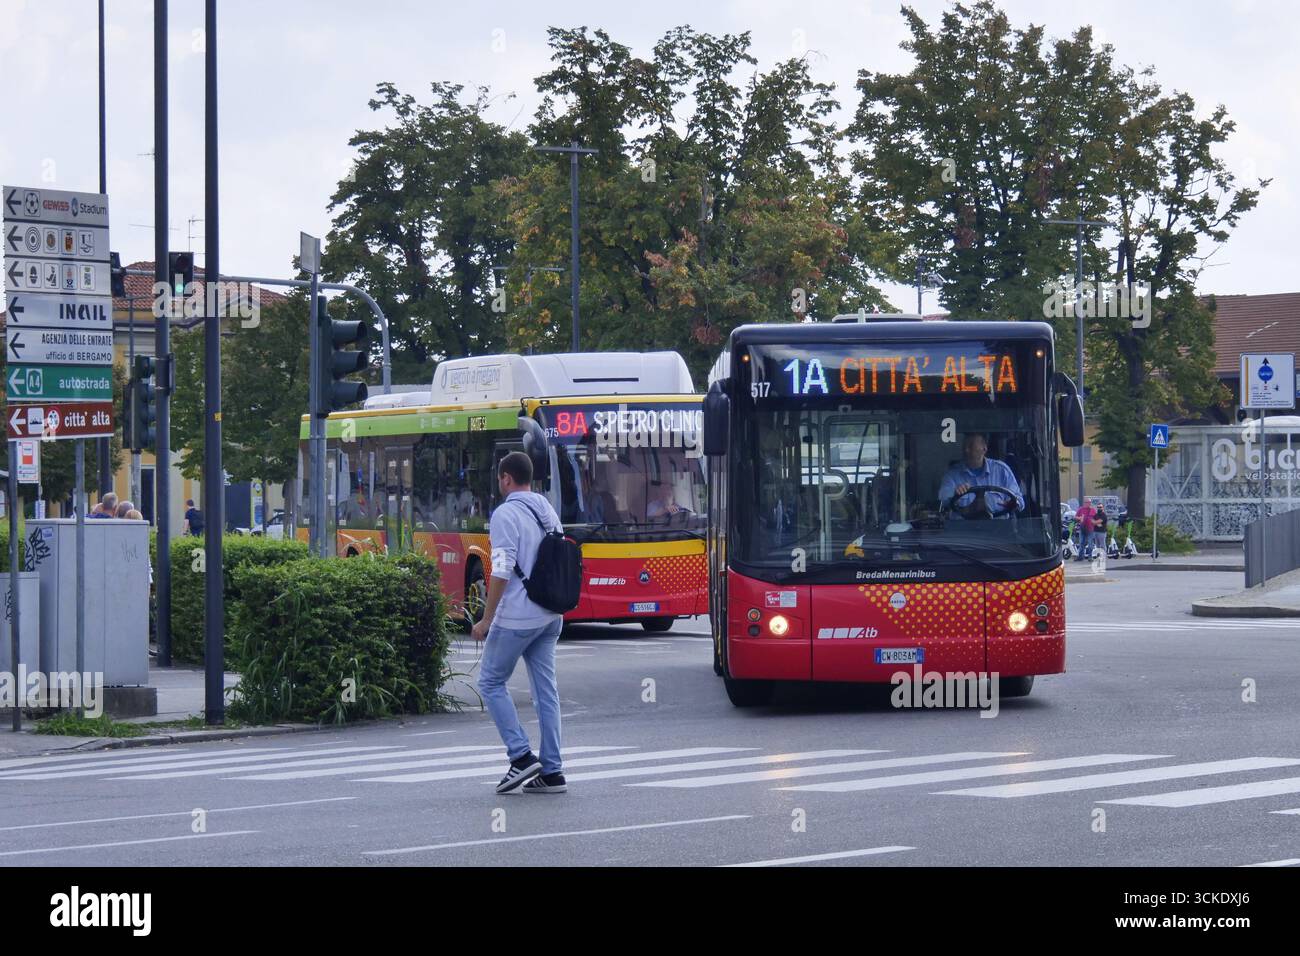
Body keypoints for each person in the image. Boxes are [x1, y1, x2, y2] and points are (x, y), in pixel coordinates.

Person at [471, 451, 567, 795]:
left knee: (491, 682)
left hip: (517, 617)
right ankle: (553, 772)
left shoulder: (505, 514)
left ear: (507, 478)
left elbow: (500, 568)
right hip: (550, 614)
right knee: (546, 692)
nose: (500, 484)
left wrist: (486, 619)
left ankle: (521, 755)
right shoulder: (546, 508)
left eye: (500, 479)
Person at [937, 433, 1025, 519]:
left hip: (999, 530)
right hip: (962, 530)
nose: (966, 450)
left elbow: (1020, 501)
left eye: (970, 446)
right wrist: (954, 493)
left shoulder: (1002, 471)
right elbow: (942, 499)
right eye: (964, 446)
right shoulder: (952, 474)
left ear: (984, 449)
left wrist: (1014, 504)